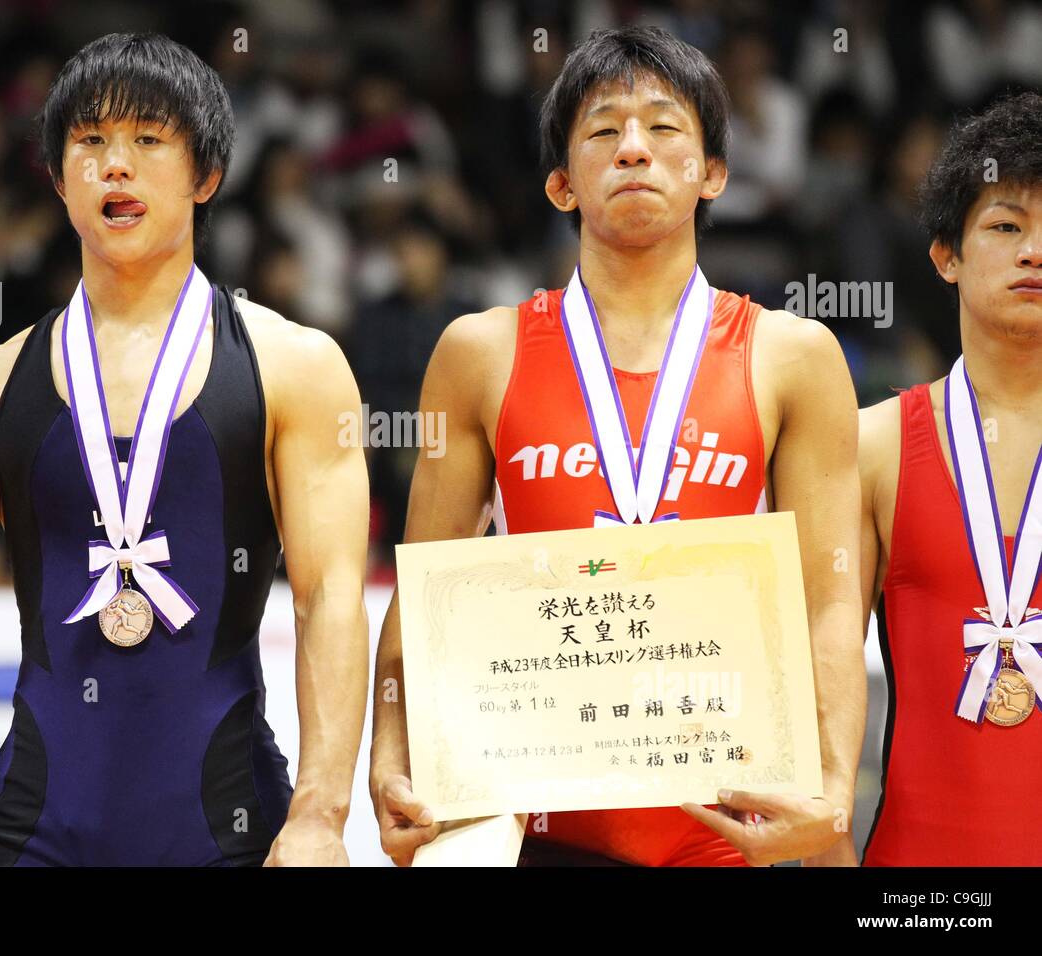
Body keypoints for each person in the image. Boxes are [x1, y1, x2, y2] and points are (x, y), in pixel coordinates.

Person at [0, 32, 370, 867]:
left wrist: (318, 814)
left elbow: (329, 596)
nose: (116, 167)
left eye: (147, 139)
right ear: (59, 182)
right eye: (90, 144)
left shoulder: (294, 368)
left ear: (206, 176)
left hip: (230, 828)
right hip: (37, 830)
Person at [370, 26, 865, 867]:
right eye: (603, 131)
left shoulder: (794, 355)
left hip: (729, 831)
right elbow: (428, 592)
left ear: (713, 173)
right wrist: (388, 759)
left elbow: (829, 600)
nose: (633, 147)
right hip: (535, 830)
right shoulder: (480, 353)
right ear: (562, 185)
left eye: (664, 128)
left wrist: (835, 793)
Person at [854, 92, 1042, 866]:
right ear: (946, 255)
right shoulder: (873, 445)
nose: (1036, 251)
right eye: (1007, 226)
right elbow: (822, 683)